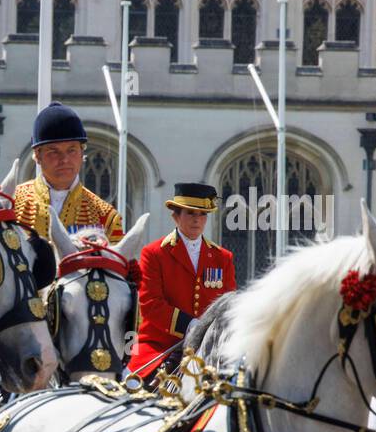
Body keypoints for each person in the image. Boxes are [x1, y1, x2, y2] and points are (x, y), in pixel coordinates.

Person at [128, 182, 236, 380]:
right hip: (162, 347)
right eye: (190, 213)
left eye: (202, 214)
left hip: (209, 347)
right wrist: (189, 325)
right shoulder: (154, 253)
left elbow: (228, 306)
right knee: (135, 388)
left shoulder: (223, 257)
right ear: (175, 216)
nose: (197, 220)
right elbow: (151, 304)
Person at [13, 100, 123, 243]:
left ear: (82, 152)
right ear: (38, 155)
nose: (64, 159)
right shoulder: (12, 203)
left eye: (71, 150)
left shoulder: (105, 216)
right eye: (54, 151)